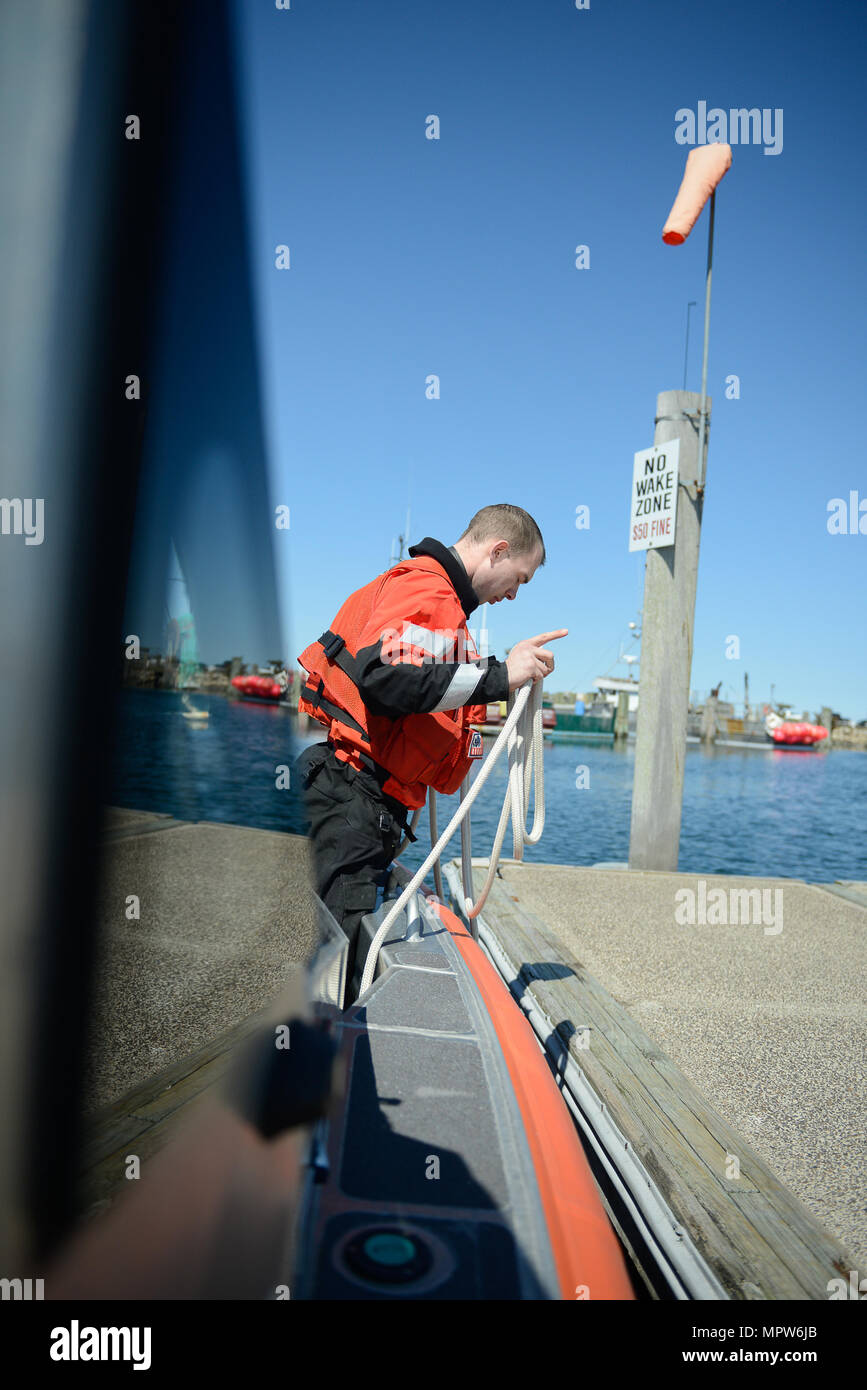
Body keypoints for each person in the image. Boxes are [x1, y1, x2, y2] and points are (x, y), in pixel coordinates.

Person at [294, 503, 567, 995]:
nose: (512, 594)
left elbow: (414, 681)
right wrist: (502, 675)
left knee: (334, 964)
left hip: (358, 800)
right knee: (329, 978)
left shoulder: (437, 600)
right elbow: (385, 679)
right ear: (497, 550)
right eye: (518, 579)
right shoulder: (429, 590)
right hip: (354, 802)